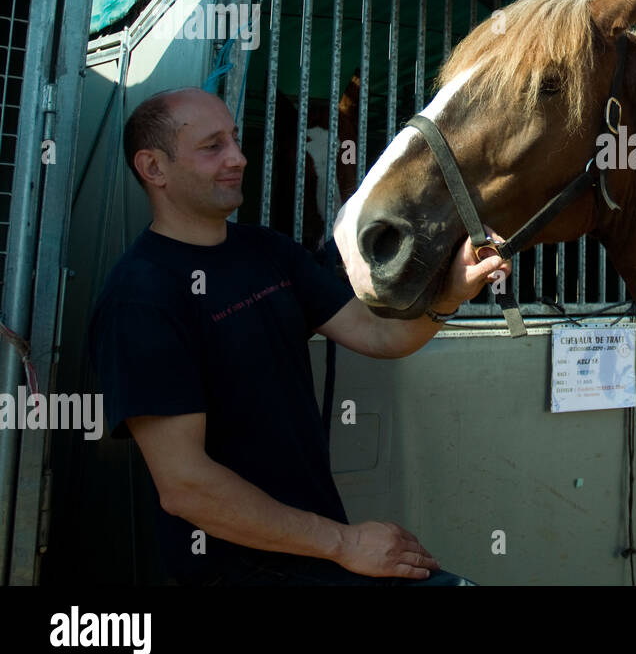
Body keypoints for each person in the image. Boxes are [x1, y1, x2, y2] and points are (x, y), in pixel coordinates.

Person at [90, 87, 511, 586]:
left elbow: (380, 336)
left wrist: (453, 291)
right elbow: (186, 486)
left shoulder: (268, 252)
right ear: (153, 168)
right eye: (212, 147)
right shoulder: (141, 296)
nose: (238, 158)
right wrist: (346, 543)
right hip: (234, 571)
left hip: (319, 558)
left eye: (235, 139)